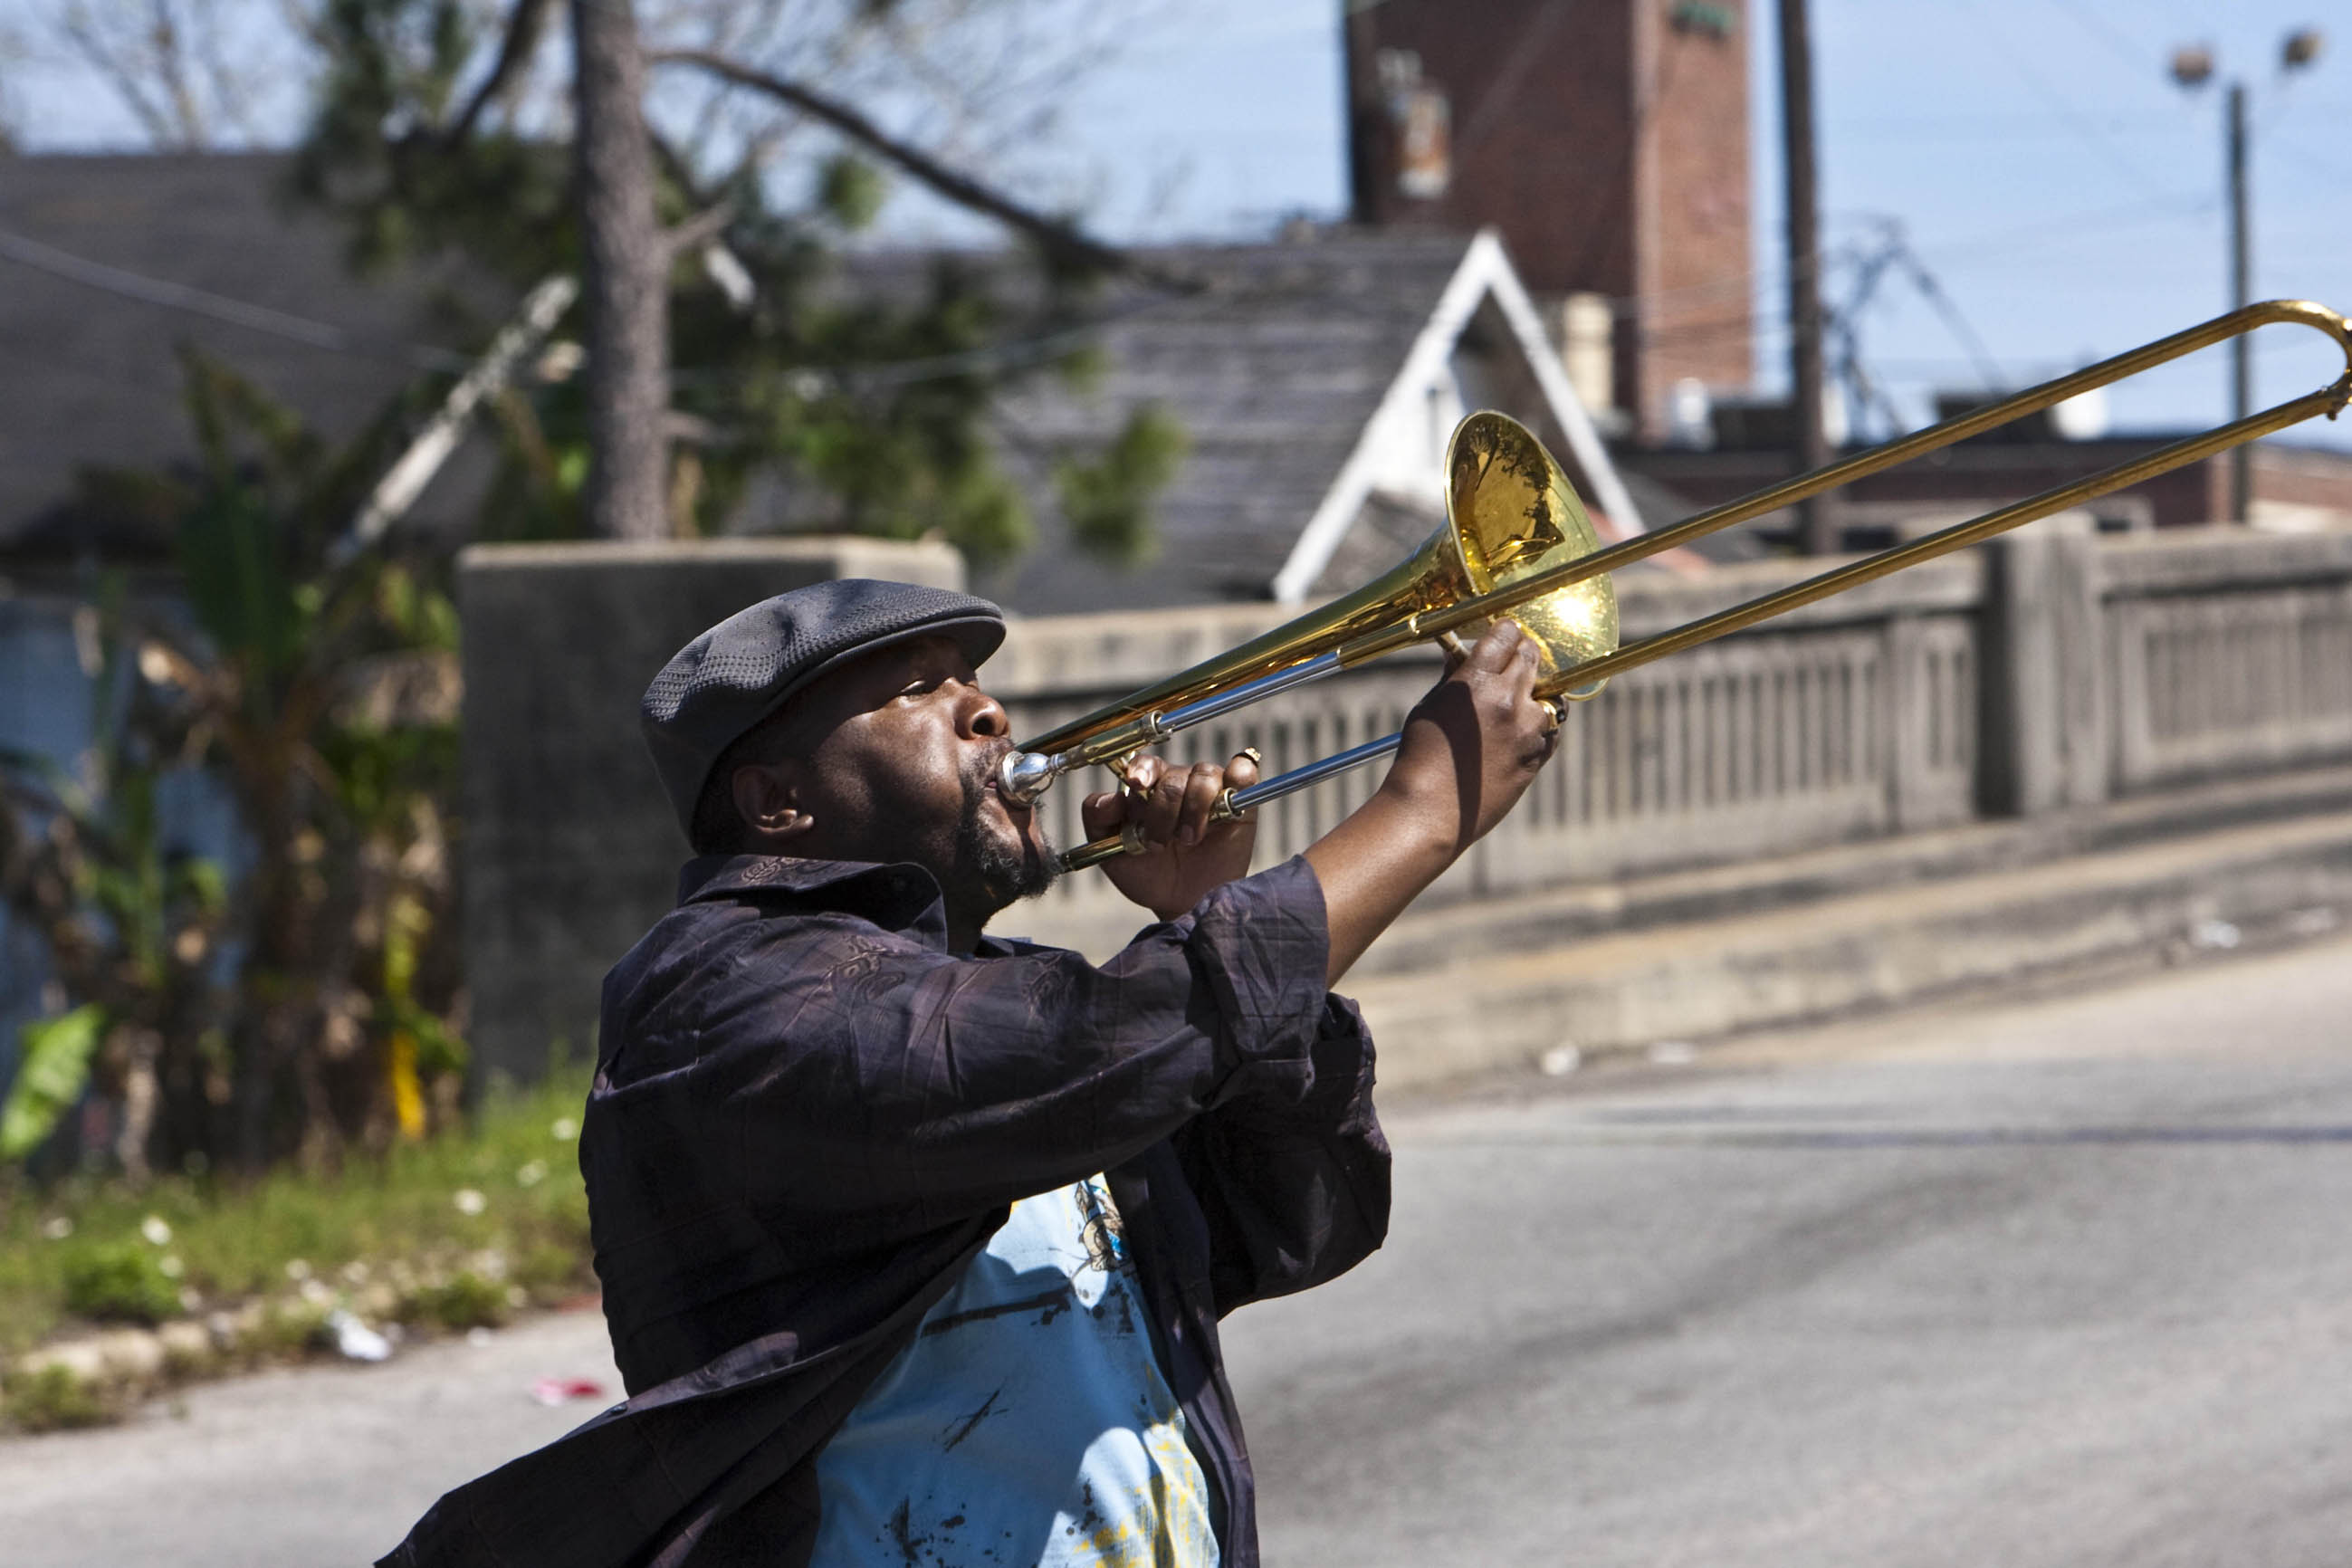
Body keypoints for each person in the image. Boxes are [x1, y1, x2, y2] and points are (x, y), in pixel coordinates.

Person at [380, 578, 1559, 1568]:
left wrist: (1209, 921)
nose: (988, 712)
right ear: (777, 799)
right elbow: (1098, 1043)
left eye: (975, 683)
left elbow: (1294, 1220)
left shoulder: (1002, 996)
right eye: (918, 691)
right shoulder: (722, 999)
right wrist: (1418, 814)